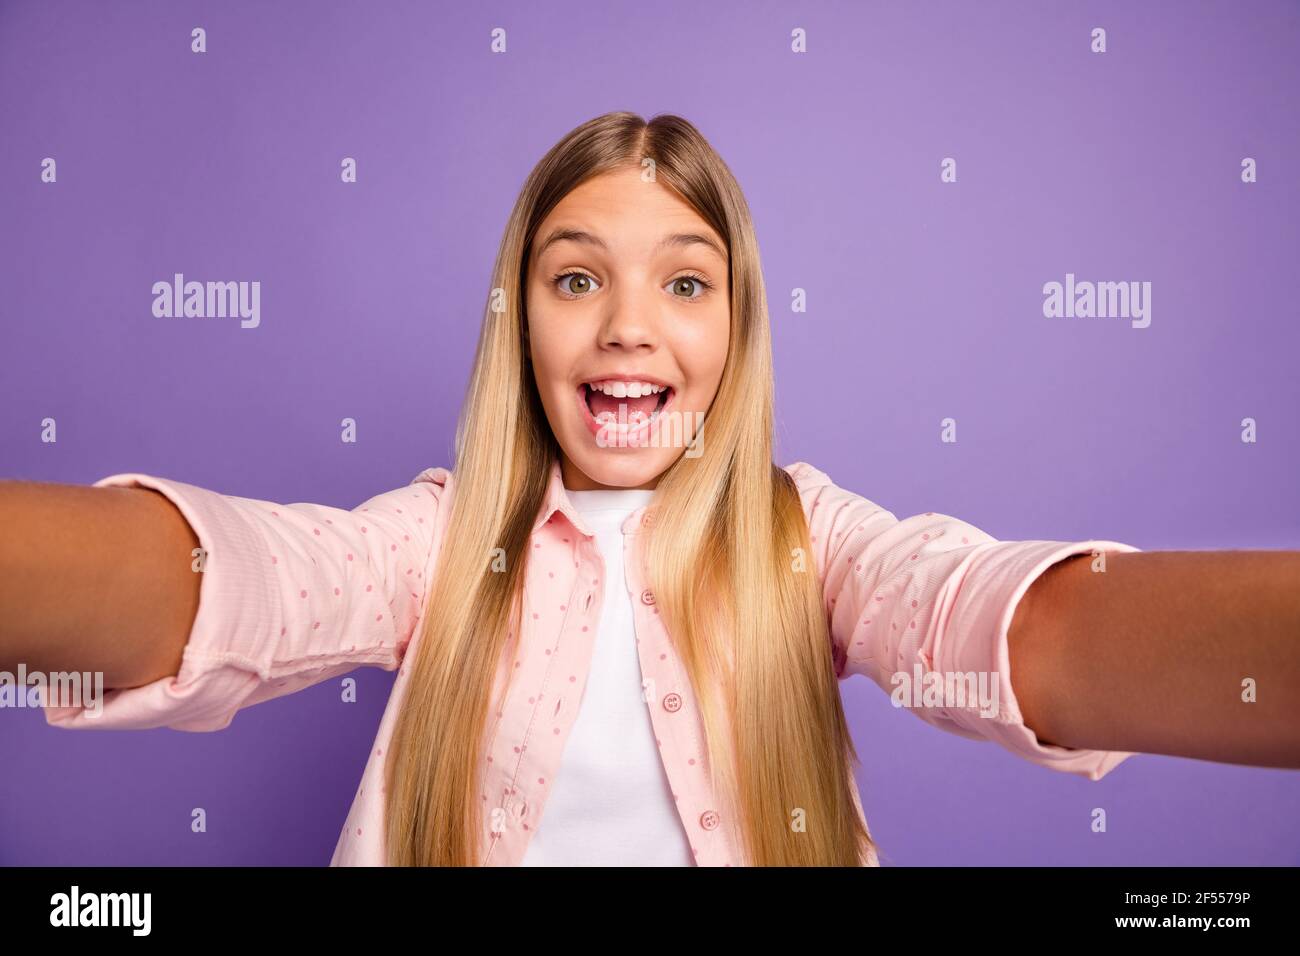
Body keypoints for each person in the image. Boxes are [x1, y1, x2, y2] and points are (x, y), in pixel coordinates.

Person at [4, 111, 1298, 867]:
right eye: (578, 279)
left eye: (684, 283)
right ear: (522, 320)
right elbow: (250, 584)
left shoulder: (811, 542)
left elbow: (988, 617)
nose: (629, 327)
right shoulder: (446, 543)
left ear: (736, 329)